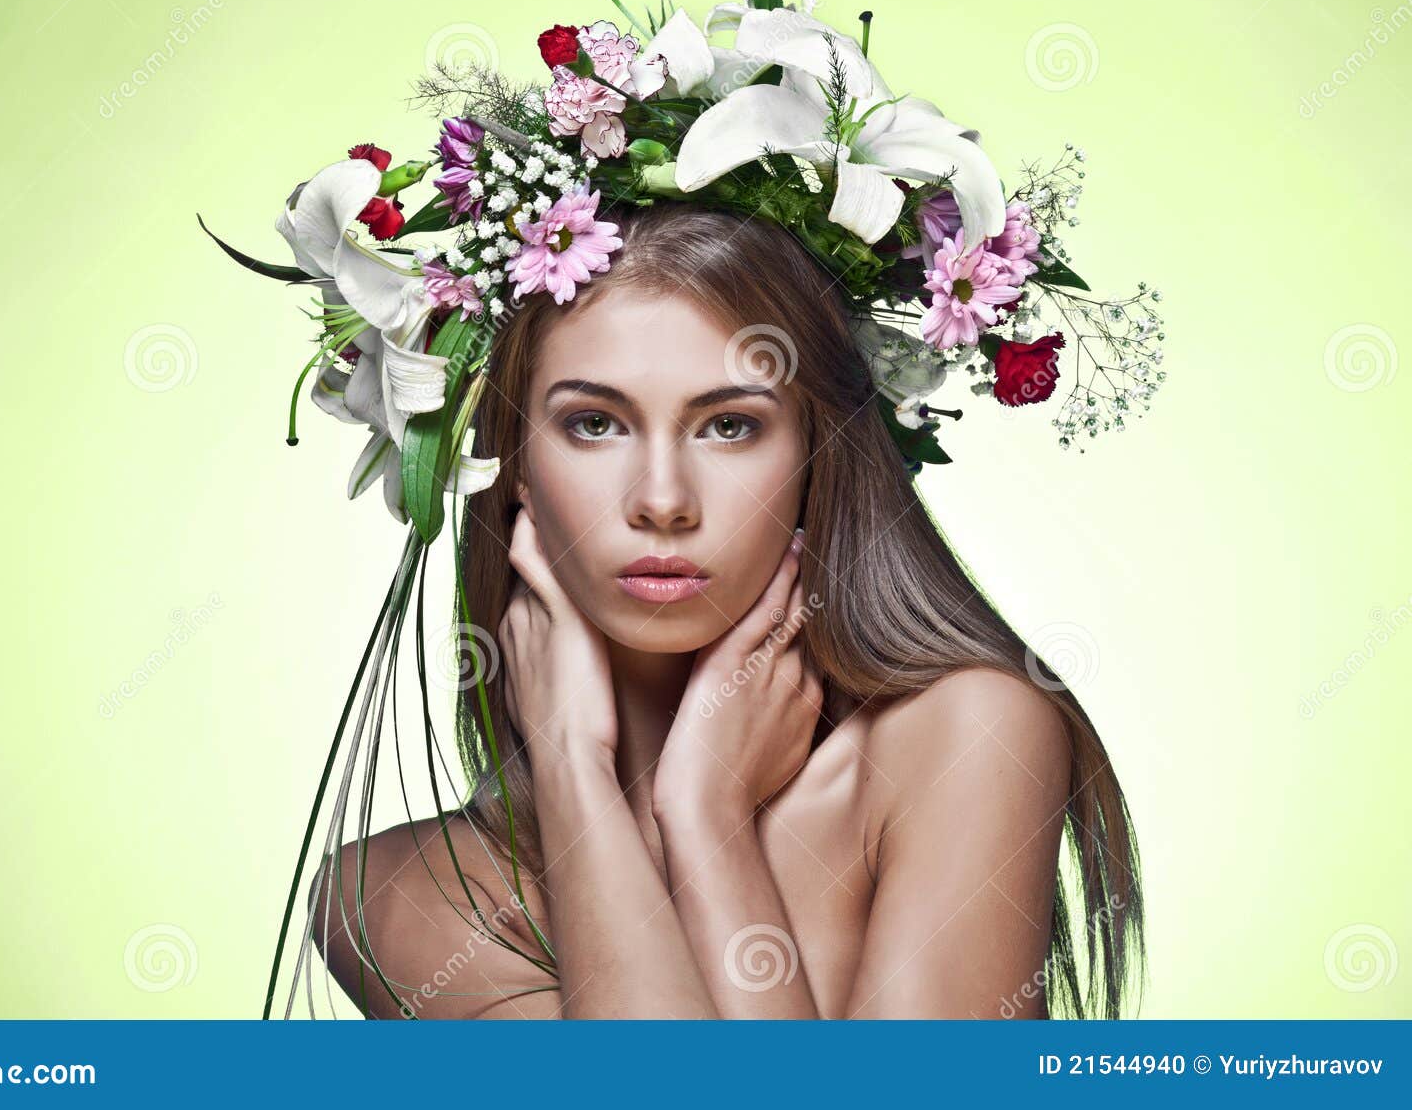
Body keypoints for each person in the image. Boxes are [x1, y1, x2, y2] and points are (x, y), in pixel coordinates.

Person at [307, 200, 1145, 1019]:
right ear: (513, 461)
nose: (663, 500)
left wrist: (707, 813)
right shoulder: (395, 893)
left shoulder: (966, 734)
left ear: (816, 453)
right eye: (595, 423)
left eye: (730, 426)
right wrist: (571, 768)